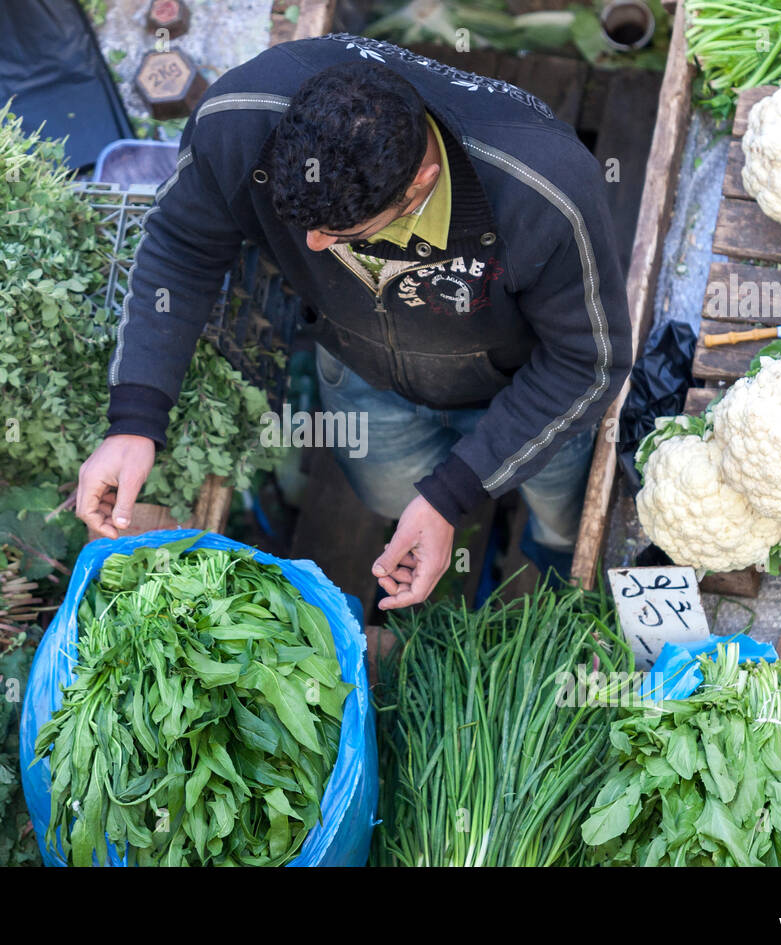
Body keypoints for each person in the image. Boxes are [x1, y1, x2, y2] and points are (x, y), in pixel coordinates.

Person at [76, 34, 632, 610]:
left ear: (421, 181)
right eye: (303, 226)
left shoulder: (544, 192)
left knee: (560, 519)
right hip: (362, 374)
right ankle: (437, 534)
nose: (313, 246)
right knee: (392, 494)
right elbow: (180, 247)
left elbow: (587, 362)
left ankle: (547, 571)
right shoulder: (239, 122)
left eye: (342, 235)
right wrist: (135, 419)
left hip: (521, 386)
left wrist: (450, 493)